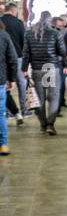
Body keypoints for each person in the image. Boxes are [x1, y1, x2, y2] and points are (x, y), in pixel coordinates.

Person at [23, 12, 67, 135]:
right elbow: (62, 51)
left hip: (37, 69)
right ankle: (50, 124)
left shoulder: (29, 33)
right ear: (50, 20)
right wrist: (65, 65)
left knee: (40, 99)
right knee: (53, 98)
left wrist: (24, 69)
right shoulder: (55, 33)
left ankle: (43, 123)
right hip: (51, 68)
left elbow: (26, 53)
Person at [1, 1, 26, 124]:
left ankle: (8, 111)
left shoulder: (1, 22)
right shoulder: (18, 23)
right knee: (21, 83)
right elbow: (24, 41)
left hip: (2, 58)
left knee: (4, 85)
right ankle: (23, 109)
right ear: (14, 11)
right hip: (17, 56)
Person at [0, 24, 17, 155]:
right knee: (1, 114)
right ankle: (3, 145)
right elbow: (12, 59)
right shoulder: (4, 36)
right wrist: (11, 79)